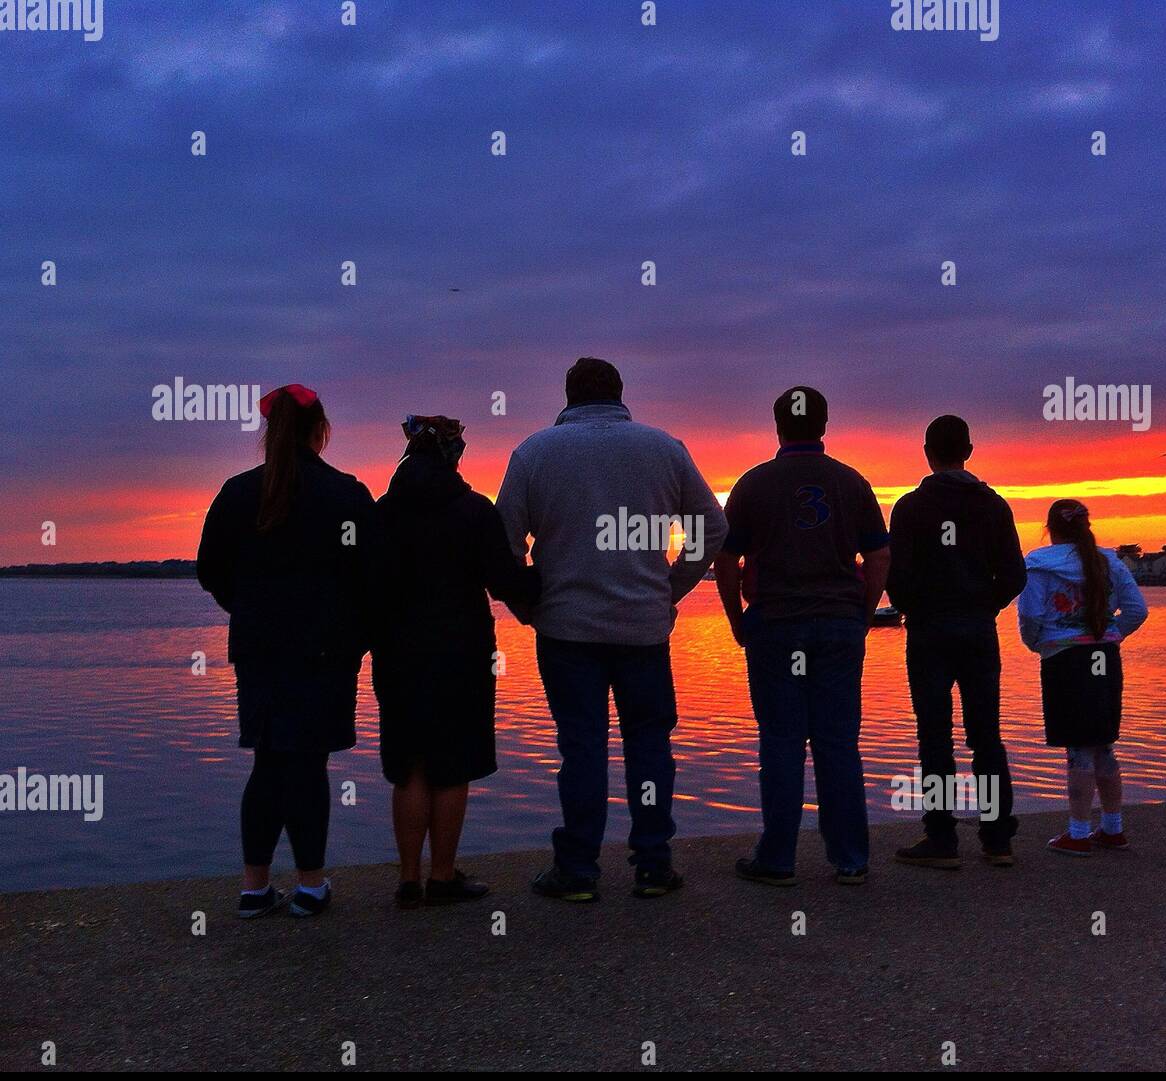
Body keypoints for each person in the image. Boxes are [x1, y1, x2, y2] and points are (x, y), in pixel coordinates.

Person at [495, 357, 727, 902]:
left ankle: (578, 869)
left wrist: (528, 603)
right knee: (649, 746)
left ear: (568, 396)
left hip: (566, 629)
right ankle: (652, 865)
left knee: (581, 748)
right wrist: (670, 588)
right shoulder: (663, 448)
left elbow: (503, 540)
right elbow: (711, 526)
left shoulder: (535, 452)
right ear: (620, 393)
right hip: (643, 630)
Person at [197, 384, 374, 919]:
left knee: (268, 762)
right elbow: (373, 574)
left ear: (269, 431)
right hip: (324, 651)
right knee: (308, 765)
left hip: (259, 649)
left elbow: (210, 570)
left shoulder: (237, 493)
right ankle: (310, 885)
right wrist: (351, 633)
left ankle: (254, 888)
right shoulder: (345, 493)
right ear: (320, 429)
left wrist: (248, 608)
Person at [714, 387, 890, 886]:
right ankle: (851, 858)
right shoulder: (851, 482)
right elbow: (878, 555)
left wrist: (735, 618)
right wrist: (861, 611)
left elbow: (725, 559)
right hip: (838, 626)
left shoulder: (753, 485)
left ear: (777, 426)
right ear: (825, 424)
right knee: (838, 743)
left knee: (782, 741)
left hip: (775, 625)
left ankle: (777, 858)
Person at [371, 415, 538, 908]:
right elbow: (506, 582)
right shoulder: (473, 510)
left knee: (410, 766)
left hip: (397, 654)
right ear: (455, 457)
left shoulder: (382, 514)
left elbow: (366, 587)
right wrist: (550, 574)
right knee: (452, 764)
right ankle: (442, 877)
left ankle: (407, 880)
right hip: (462, 653)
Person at [887, 415, 1026, 868]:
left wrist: (915, 606)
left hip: (928, 632)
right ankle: (997, 837)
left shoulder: (909, 508)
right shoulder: (994, 506)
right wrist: (984, 606)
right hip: (977, 632)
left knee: (934, 736)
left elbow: (896, 577)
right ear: (969, 450)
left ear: (927, 453)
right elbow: (1014, 575)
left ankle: (942, 838)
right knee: (986, 735)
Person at [1018, 500, 1148, 855]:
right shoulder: (1109, 562)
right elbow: (1137, 610)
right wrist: (1110, 634)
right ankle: (1112, 828)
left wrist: (1038, 643)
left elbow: (1030, 615)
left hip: (1065, 659)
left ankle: (1077, 833)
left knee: (1078, 747)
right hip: (1104, 657)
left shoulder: (1038, 565)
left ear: (1050, 529)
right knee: (1103, 743)